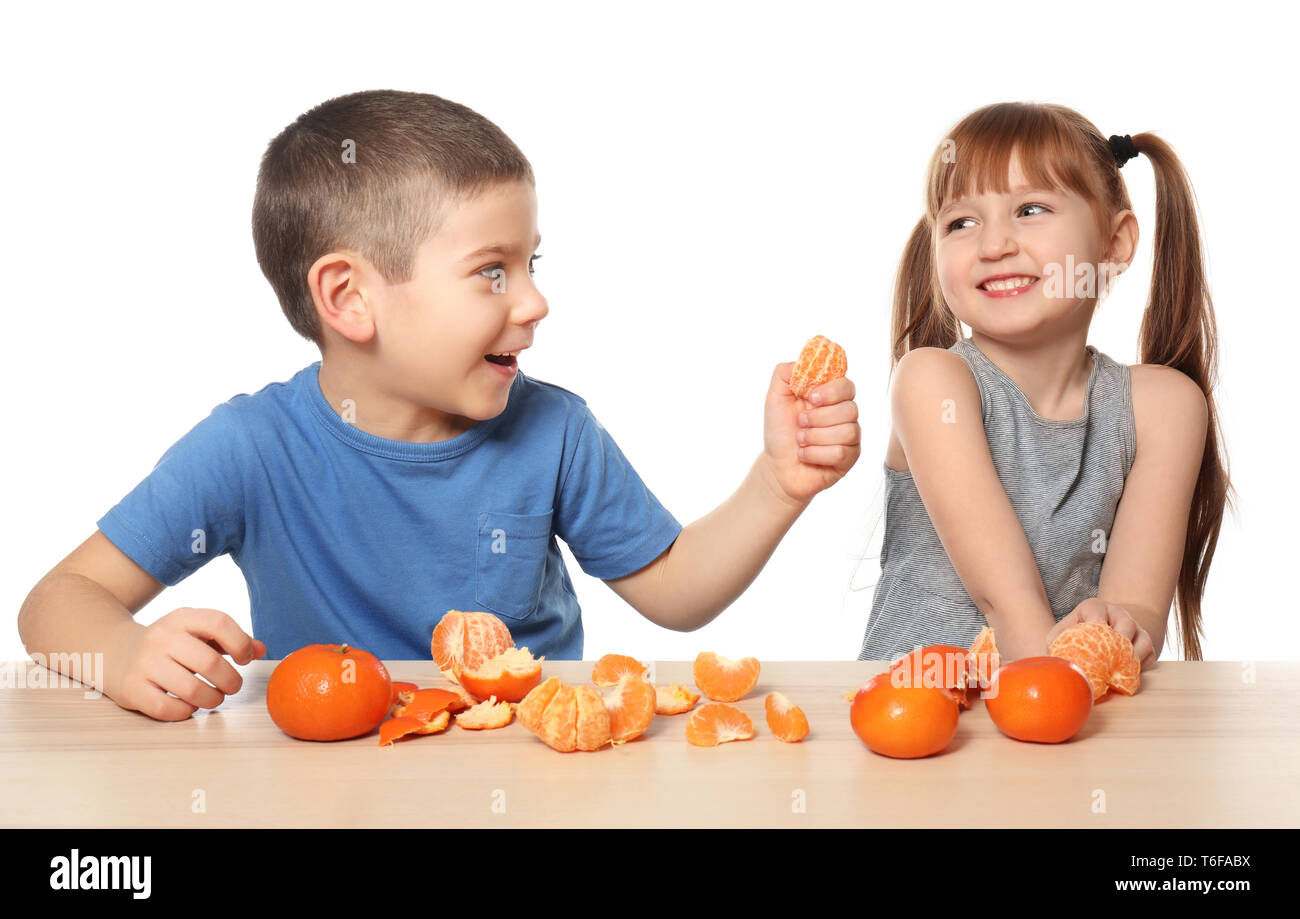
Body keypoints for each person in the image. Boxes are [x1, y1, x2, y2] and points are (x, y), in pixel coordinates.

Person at [18, 89, 861, 722]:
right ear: (350, 298)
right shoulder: (251, 449)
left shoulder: (553, 431)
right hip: (330, 781)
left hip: (523, 768)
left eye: (533, 262)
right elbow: (55, 601)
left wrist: (778, 483)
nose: (534, 302)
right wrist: (125, 653)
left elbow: (676, 590)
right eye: (494, 270)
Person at [858, 101, 1233, 665]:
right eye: (962, 222)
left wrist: (1119, 630)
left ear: (1115, 243)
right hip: (919, 732)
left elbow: (1135, 612)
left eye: (1030, 209)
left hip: (1065, 722)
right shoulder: (934, 383)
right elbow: (1009, 607)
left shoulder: (1165, 407)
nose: (993, 245)